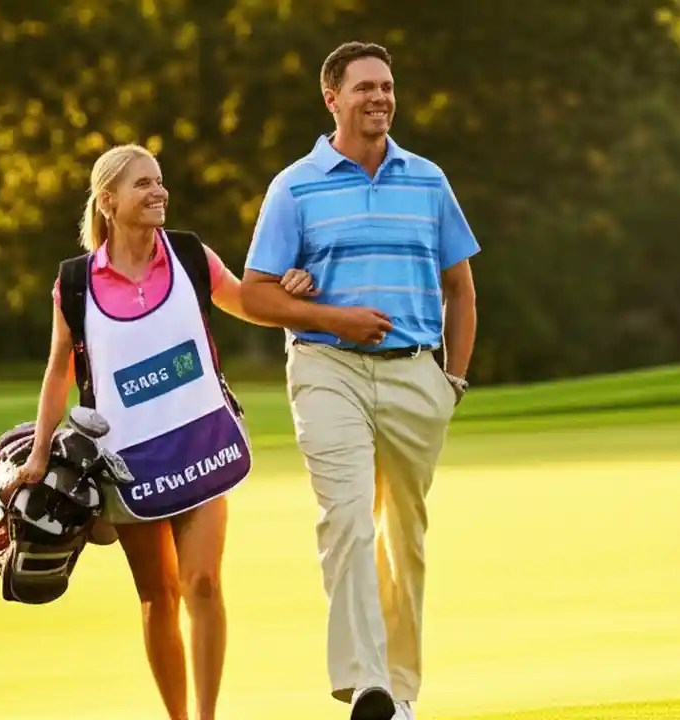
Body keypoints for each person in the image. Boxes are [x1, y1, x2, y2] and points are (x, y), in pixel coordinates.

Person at [14, 143, 315, 720]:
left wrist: (290, 288)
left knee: (202, 583)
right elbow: (60, 371)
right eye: (142, 184)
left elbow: (245, 301)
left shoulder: (188, 254)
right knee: (158, 596)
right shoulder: (75, 283)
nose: (158, 192)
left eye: (159, 181)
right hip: (127, 465)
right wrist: (37, 453)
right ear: (108, 201)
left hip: (203, 444)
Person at [240, 41, 480, 720]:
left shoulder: (428, 180)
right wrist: (329, 317)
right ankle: (368, 685)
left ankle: (400, 695)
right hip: (326, 369)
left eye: (387, 86)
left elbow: (461, 288)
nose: (379, 98)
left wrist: (452, 382)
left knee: (402, 536)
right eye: (365, 87)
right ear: (332, 98)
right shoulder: (295, 186)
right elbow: (257, 295)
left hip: (415, 375)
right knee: (346, 520)